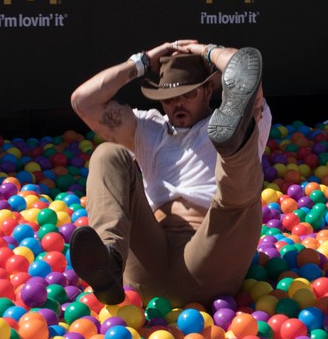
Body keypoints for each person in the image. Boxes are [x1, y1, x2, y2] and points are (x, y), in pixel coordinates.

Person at [68, 40, 270, 305]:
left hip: (212, 256)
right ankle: (110, 262)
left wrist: (206, 51)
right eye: (169, 98)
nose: (178, 104)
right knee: (107, 153)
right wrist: (142, 62)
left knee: (238, 170)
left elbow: (245, 70)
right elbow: (83, 101)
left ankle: (233, 145)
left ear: (208, 89)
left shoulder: (235, 118)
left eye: (188, 95)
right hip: (151, 263)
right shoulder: (147, 128)